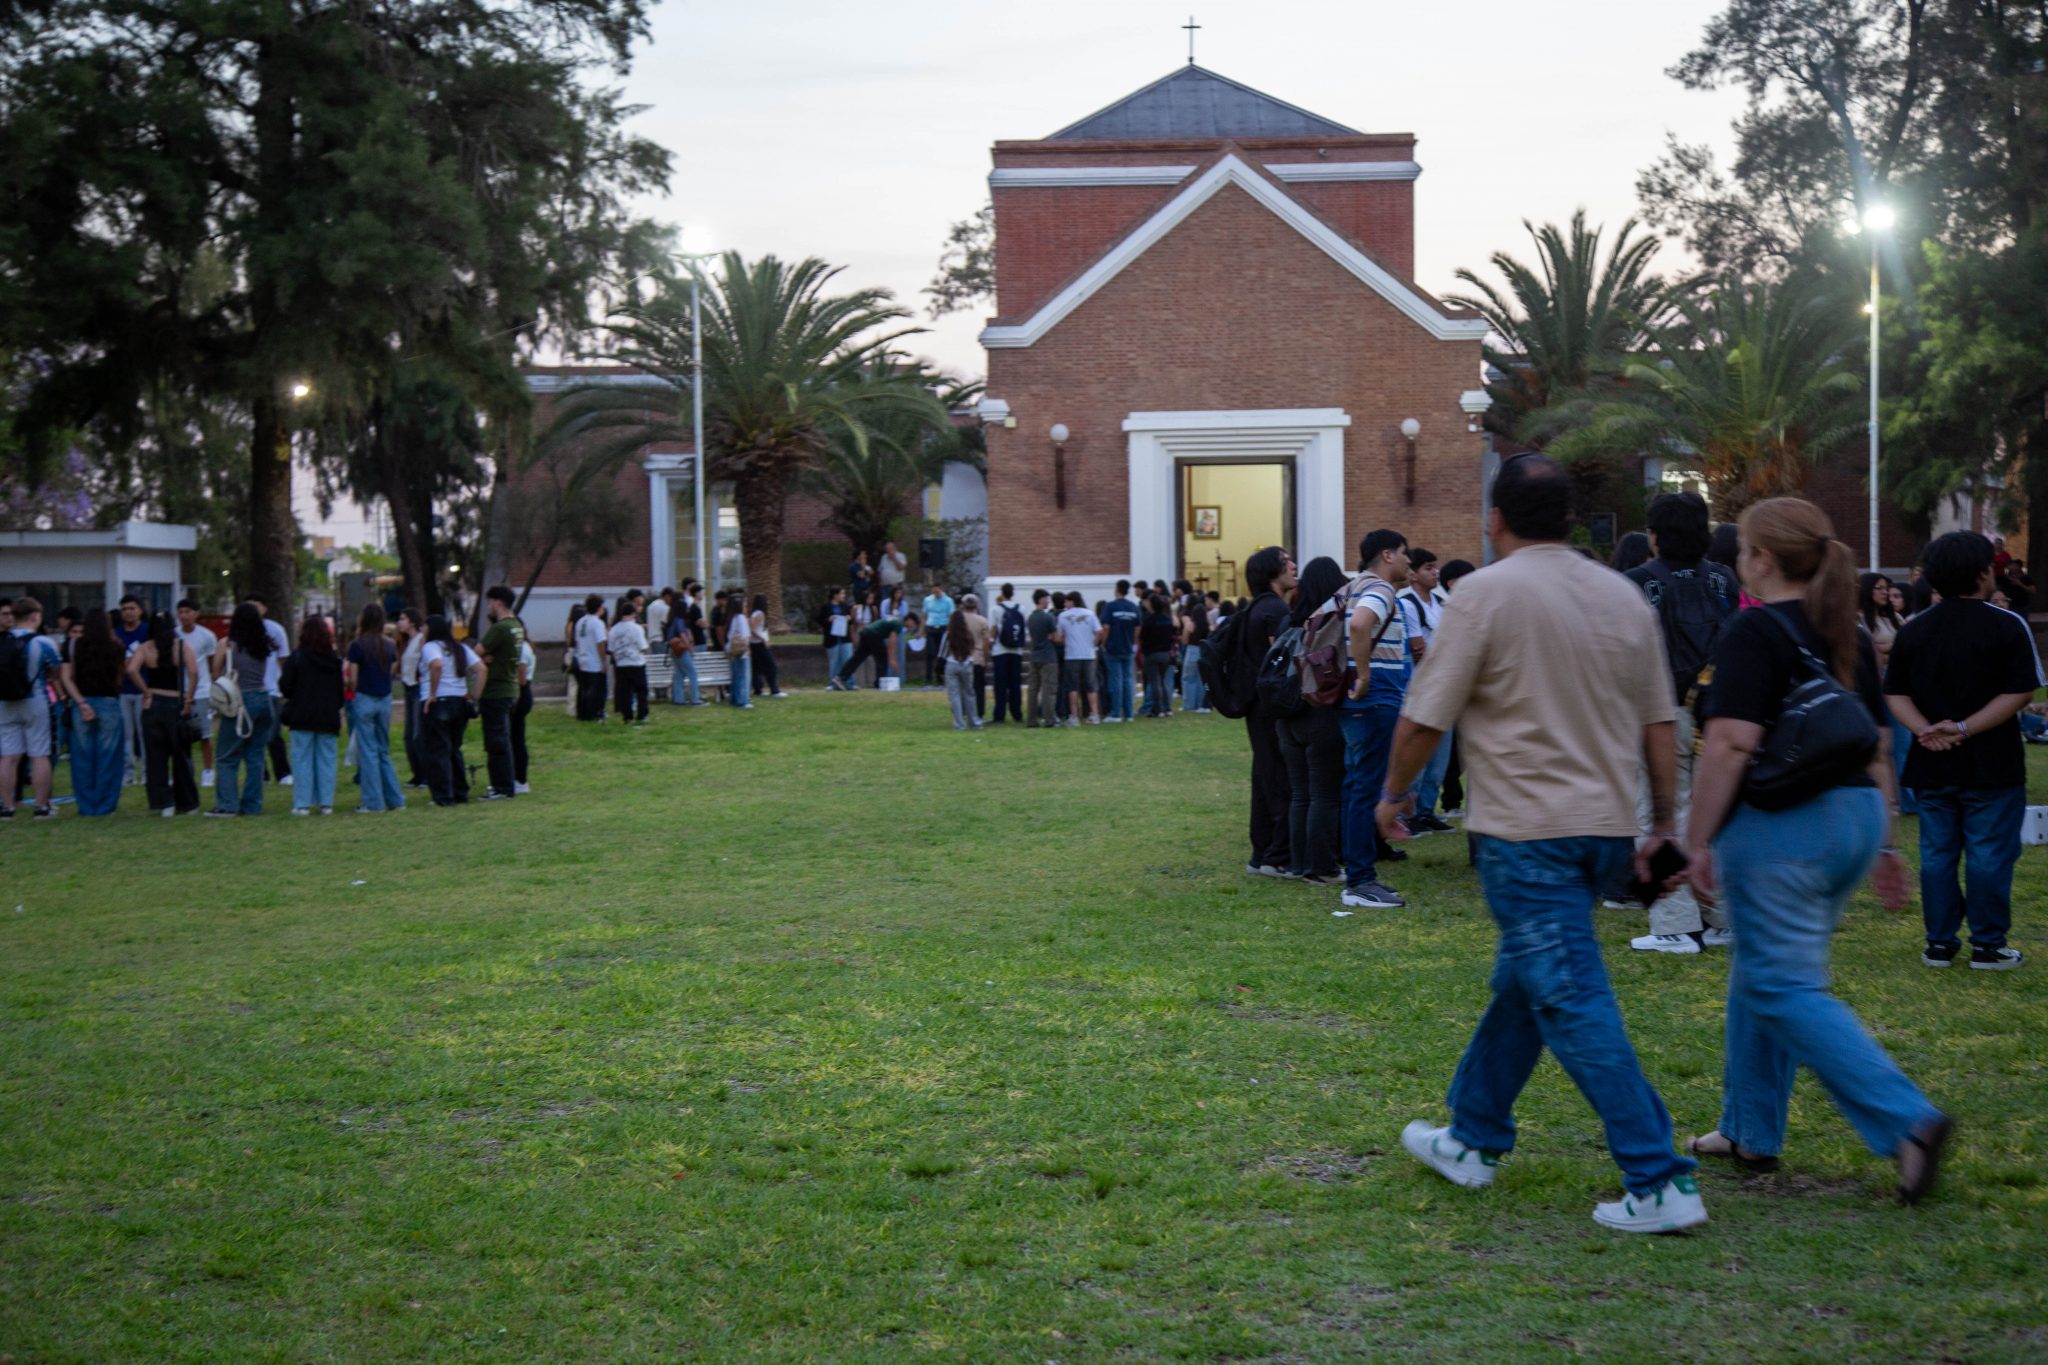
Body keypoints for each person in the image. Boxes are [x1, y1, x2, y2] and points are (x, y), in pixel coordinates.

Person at [1374, 454, 1704, 1233]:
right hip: (1604, 829)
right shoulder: (1623, 594)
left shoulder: (1484, 593)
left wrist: (1393, 796)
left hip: (1528, 834)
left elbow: (1426, 717)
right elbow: (1660, 721)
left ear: (1496, 519)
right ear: (1570, 519)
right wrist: (1660, 825)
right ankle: (1472, 1135)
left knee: (1567, 995)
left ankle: (1657, 1179)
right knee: (1525, 982)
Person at [1682, 496, 1952, 1200]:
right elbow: (1877, 744)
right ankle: (1749, 1128)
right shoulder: (1849, 632)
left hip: (1784, 826)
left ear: (1762, 559)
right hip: (1854, 819)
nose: (1737, 556)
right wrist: (1886, 843)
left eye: (1743, 546)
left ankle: (1908, 1123)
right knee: (1763, 970)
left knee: (1782, 981)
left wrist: (1696, 837)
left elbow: (1731, 742)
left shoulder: (1753, 631)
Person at [1886, 530, 2040, 971]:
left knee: (1937, 855)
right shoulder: (2007, 624)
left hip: (1931, 763)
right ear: (1981, 574)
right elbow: (2020, 693)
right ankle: (1988, 945)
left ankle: (1939, 943)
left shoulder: (1914, 630)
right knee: (1990, 854)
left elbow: (1894, 693)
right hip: (1992, 764)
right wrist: (1965, 728)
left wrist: (1928, 731)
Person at [1621, 491, 1739, 954]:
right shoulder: (1724, 579)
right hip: (1717, 712)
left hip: (1659, 712)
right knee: (1710, 814)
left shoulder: (1638, 581)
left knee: (1658, 813)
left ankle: (1673, 924)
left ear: (1654, 535)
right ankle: (1720, 917)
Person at [1333, 530, 1410, 908]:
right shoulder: (1379, 589)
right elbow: (1360, 625)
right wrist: (1364, 674)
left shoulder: (1350, 587)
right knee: (1365, 789)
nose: (1409, 561)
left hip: (1351, 701)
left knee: (1355, 787)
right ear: (1387, 555)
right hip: (1375, 697)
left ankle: (1357, 874)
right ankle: (1360, 881)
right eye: (1404, 553)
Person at [1277, 558, 1349, 883]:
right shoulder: (1333, 621)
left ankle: (1297, 863)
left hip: (1288, 713)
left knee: (1300, 794)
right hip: (1321, 712)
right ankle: (1321, 867)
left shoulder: (1289, 622)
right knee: (1324, 794)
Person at [1241, 547, 1298, 873]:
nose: (1293, 565)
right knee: (1279, 780)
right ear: (1270, 572)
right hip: (1272, 708)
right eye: (1285, 562)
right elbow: (1284, 664)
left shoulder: (1258, 608)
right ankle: (1277, 857)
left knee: (1265, 779)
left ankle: (1262, 854)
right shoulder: (1275, 611)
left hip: (1258, 707)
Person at [1395, 550, 1454, 834]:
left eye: (1436, 567)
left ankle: (1427, 810)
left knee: (1439, 758)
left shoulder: (1441, 604)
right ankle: (1408, 813)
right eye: (1429, 567)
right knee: (1417, 757)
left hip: (1443, 688)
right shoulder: (1407, 604)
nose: (1435, 572)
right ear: (1413, 573)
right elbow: (1419, 649)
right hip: (1419, 689)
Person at [123, 608, 201, 817]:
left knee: (155, 757)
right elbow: (194, 671)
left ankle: (162, 802)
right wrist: (189, 697)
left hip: (153, 704)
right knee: (180, 756)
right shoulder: (182, 646)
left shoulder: (145, 647)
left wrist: (145, 691)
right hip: (175, 702)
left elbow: (131, 669)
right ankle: (187, 802)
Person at [208, 603, 278, 817]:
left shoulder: (227, 645)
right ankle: (252, 805)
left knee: (226, 755)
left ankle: (227, 805)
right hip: (263, 698)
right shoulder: (264, 645)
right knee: (255, 756)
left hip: (238, 702)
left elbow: (215, 674)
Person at [57, 608, 125, 817]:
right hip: (109, 702)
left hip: (81, 703)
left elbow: (66, 678)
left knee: (82, 757)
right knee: (109, 757)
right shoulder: (116, 646)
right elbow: (120, 678)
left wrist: (81, 702)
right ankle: (105, 805)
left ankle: (86, 806)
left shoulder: (74, 645)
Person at [0, 597, 62, 819]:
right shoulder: (43, 642)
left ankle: (7, 807)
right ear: (35, 616)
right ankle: (41, 806)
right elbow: (56, 669)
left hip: (5, 702)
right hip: (36, 699)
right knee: (39, 754)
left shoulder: (3, 641)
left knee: (8, 756)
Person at [278, 615, 345, 814]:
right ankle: (326, 803)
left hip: (302, 716)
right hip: (327, 716)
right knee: (327, 760)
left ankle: (302, 803)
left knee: (302, 760)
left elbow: (285, 687)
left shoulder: (297, 658)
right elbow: (339, 692)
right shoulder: (334, 660)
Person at [344, 604, 405, 813]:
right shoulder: (389, 645)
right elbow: (393, 670)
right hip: (385, 700)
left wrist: (351, 691)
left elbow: (353, 678)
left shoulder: (357, 646)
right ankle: (395, 799)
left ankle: (373, 802)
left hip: (365, 698)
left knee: (368, 752)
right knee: (382, 751)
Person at [418, 613, 482, 806]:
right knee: (454, 749)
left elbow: (436, 665)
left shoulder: (430, 647)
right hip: (459, 702)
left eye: (424, 626)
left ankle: (443, 796)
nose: (422, 630)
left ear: (432, 629)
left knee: (438, 751)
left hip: (440, 703)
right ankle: (460, 792)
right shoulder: (460, 647)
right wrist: (474, 697)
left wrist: (432, 694)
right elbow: (481, 669)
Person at [477, 586, 528, 796]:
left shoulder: (500, 628)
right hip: (510, 688)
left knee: (496, 741)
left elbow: (476, 653)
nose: (489, 606)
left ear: (498, 602)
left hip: (496, 691)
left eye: (490, 602)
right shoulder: (517, 625)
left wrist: (483, 658)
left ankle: (502, 787)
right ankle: (504, 783)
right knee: (503, 739)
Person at [172, 599, 219, 788]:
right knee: (179, 735)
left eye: (188, 611)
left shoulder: (207, 636)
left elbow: (210, 662)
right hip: (178, 691)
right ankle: (184, 770)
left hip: (201, 691)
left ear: (196, 614)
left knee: (204, 735)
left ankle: (208, 770)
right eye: (181, 612)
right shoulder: (173, 635)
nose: (184, 615)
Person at [1054, 591, 1105, 727]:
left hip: (1072, 655)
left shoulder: (1063, 616)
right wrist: (1094, 643)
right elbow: (1099, 631)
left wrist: (1067, 640)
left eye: (1066, 601)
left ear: (1071, 601)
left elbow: (1058, 637)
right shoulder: (1090, 614)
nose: (1065, 604)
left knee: (1073, 686)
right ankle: (1094, 715)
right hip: (1089, 654)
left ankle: (1074, 716)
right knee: (1091, 686)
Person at [1096, 580, 1142, 722]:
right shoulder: (1133, 607)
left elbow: (1106, 628)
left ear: (1117, 589)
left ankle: (1115, 713)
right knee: (1128, 680)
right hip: (1128, 648)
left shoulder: (1110, 607)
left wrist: (1103, 643)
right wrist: (1133, 642)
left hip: (1113, 648)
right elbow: (1137, 628)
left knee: (1116, 680)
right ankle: (1128, 714)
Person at [832, 607, 905, 689]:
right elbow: (892, 642)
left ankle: (840, 677)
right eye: (913, 624)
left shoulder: (895, 619)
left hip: (866, 631)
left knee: (858, 657)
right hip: (874, 634)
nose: (911, 627)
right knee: (882, 659)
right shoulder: (899, 624)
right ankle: (879, 683)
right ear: (910, 620)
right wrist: (892, 659)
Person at [1021, 589, 1061, 728]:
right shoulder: (1048, 617)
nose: (1048, 602)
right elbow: (1056, 637)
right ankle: (1049, 719)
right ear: (1041, 599)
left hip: (1034, 656)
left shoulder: (1031, 618)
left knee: (1033, 689)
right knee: (1048, 690)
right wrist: (1053, 637)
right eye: (1046, 599)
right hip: (1048, 657)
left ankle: (1031, 720)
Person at [988, 583, 1027, 724]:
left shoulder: (996, 609)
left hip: (1000, 651)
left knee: (1000, 684)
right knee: (1015, 683)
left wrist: (990, 643)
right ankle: (1017, 714)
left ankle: (999, 715)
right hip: (1016, 651)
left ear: (1002, 593)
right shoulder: (1021, 608)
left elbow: (993, 630)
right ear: (1013, 593)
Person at [608, 599, 649, 725]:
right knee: (641, 690)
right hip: (636, 663)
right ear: (633, 613)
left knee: (625, 691)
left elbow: (611, 648)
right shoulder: (637, 628)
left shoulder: (614, 629)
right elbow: (643, 647)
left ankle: (627, 716)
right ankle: (642, 715)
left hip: (621, 664)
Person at [941, 609, 983, 730]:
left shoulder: (948, 634)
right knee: (969, 693)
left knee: (954, 695)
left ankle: (959, 723)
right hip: (967, 664)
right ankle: (974, 721)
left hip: (952, 663)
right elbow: (973, 647)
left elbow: (943, 652)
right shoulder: (968, 634)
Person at [1138, 592, 1177, 718]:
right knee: (1162, 681)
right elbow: (1172, 635)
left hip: (1152, 653)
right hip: (1165, 654)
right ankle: (1167, 708)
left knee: (1155, 682)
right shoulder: (1167, 619)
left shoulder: (1149, 620)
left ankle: (1158, 709)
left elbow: (1143, 636)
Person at [955, 593, 993, 719]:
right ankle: (979, 713)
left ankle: (964, 711)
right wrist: (986, 657)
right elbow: (986, 642)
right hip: (977, 657)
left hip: (961, 657)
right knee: (978, 687)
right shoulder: (982, 621)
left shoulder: (958, 620)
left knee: (963, 687)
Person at [572, 593, 608, 721]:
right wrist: (603, 661)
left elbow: (576, 640)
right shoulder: (597, 623)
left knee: (583, 688)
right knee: (594, 689)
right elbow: (600, 643)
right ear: (599, 608)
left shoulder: (581, 621)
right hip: (594, 660)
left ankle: (582, 713)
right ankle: (593, 712)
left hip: (582, 658)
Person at [747, 593, 786, 698]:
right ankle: (774, 690)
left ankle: (758, 690)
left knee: (757, 668)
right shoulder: (760, 614)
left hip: (754, 644)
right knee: (771, 666)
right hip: (759, 644)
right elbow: (752, 629)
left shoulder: (754, 613)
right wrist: (762, 639)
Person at [512, 632, 535, 793]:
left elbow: (521, 678)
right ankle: (517, 777)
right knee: (515, 737)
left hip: (520, 693)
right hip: (523, 693)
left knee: (516, 738)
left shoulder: (521, 649)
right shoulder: (526, 646)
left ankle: (520, 779)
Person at [920, 584, 955, 688]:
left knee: (942, 655)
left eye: (937, 592)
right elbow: (924, 615)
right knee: (930, 654)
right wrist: (921, 630)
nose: (935, 594)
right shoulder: (928, 600)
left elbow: (951, 616)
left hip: (943, 628)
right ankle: (928, 680)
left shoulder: (948, 601)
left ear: (941, 590)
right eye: (934, 592)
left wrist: (950, 630)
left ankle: (940, 680)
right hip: (931, 627)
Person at [723, 597, 755, 707]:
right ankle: (743, 700)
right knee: (744, 676)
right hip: (742, 651)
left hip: (732, 650)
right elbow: (745, 636)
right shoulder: (741, 618)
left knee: (735, 676)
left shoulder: (733, 618)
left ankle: (735, 699)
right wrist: (748, 647)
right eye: (745, 605)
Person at [822, 586, 854, 687]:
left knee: (848, 659)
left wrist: (849, 618)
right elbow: (820, 620)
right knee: (834, 661)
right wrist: (829, 619)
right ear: (835, 595)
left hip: (844, 637)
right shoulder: (826, 607)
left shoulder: (845, 607)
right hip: (832, 638)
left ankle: (849, 683)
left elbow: (851, 620)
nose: (843, 596)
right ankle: (832, 683)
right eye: (841, 594)